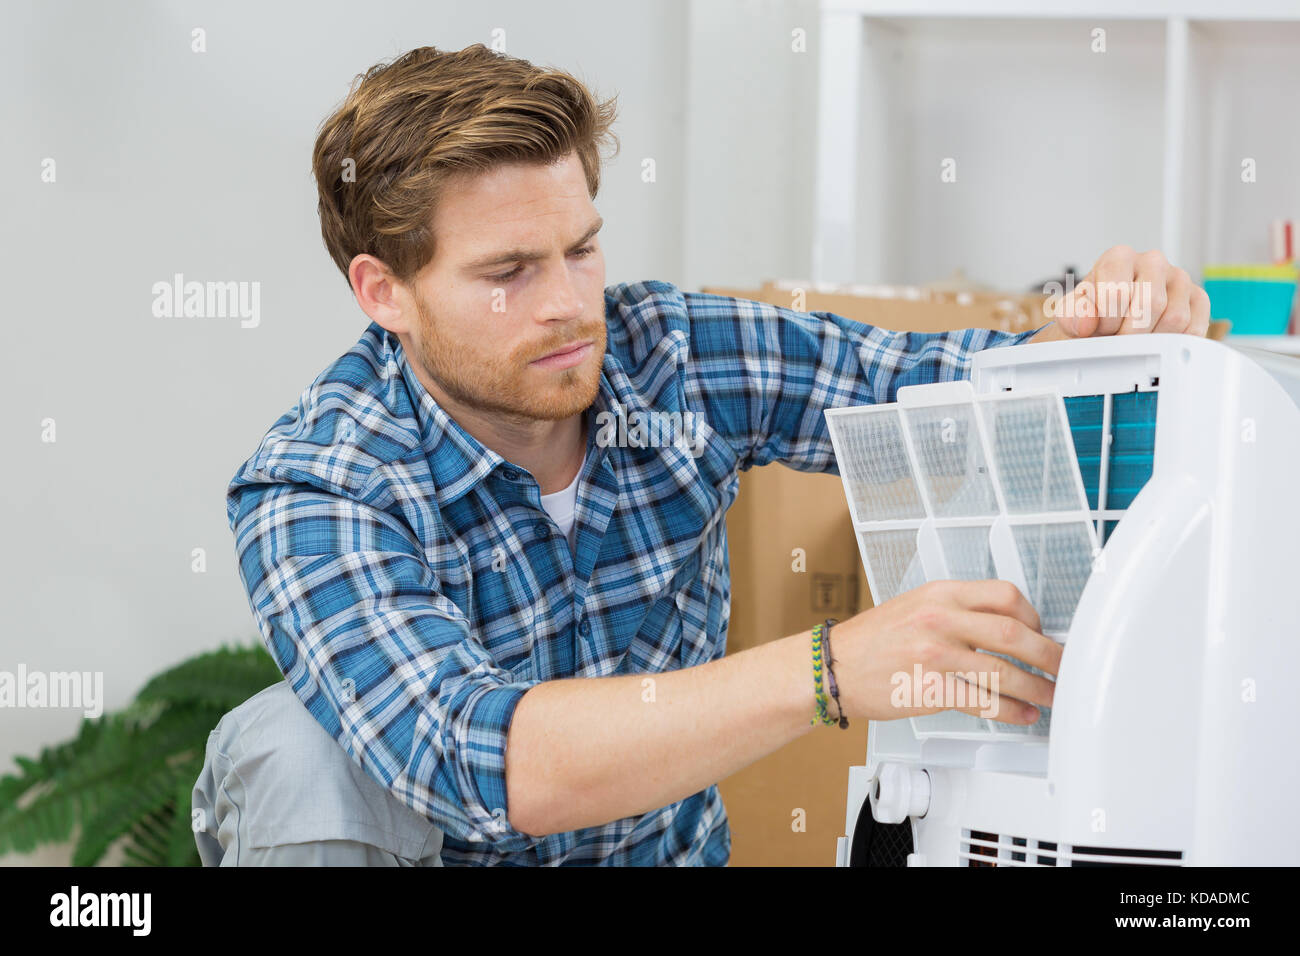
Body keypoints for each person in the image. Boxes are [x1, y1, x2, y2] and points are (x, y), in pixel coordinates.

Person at [193, 43, 1211, 867]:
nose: (566, 304)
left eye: (581, 248)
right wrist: (829, 668)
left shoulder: (673, 353)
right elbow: (486, 762)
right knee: (290, 744)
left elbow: (946, 390)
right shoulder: (318, 480)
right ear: (382, 292)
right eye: (506, 270)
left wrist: (1102, 331)